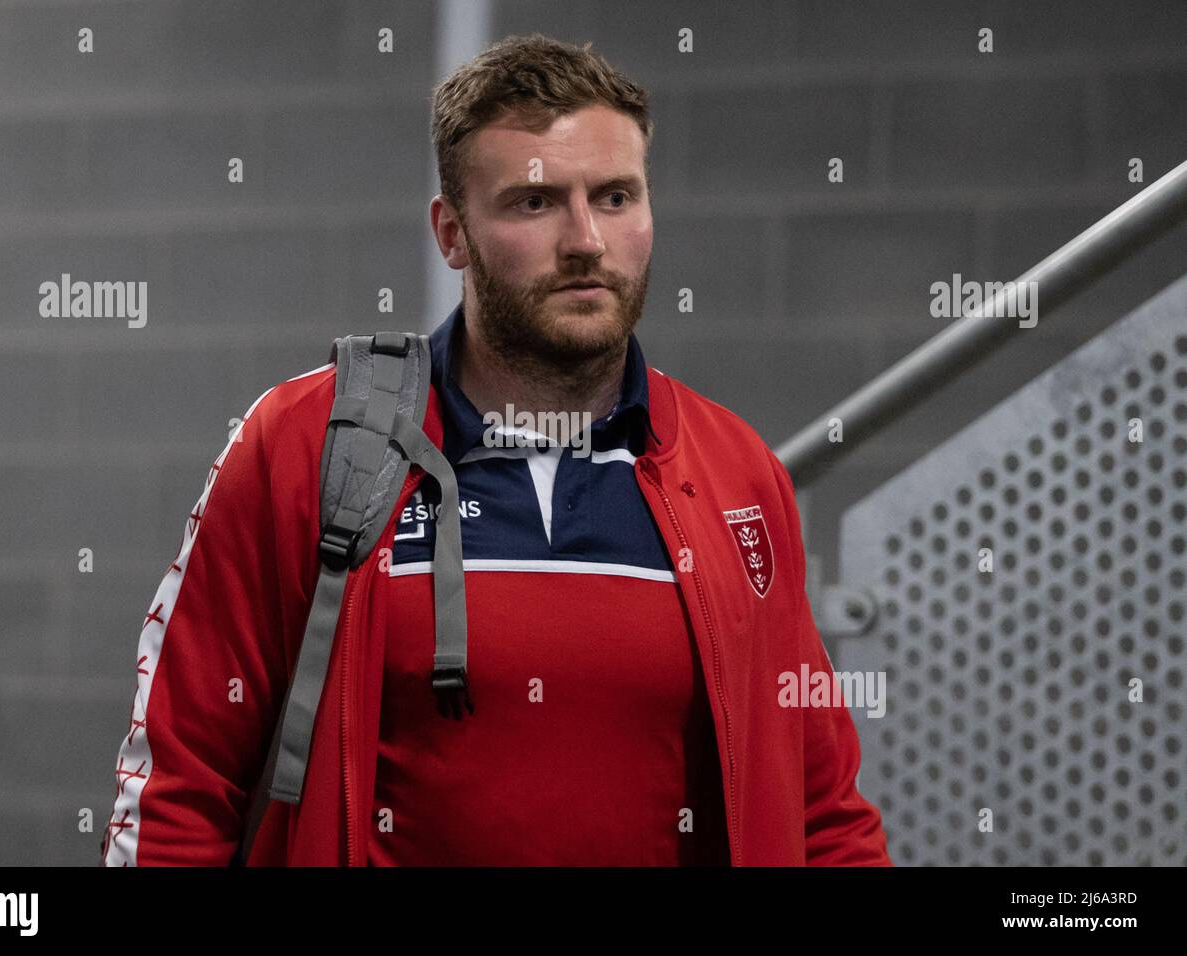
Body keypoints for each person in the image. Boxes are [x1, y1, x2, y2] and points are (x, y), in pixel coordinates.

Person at [101, 33, 890, 867]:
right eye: (536, 203)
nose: (587, 239)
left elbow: (823, 812)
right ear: (452, 235)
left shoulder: (736, 472)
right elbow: (176, 790)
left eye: (616, 197)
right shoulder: (306, 445)